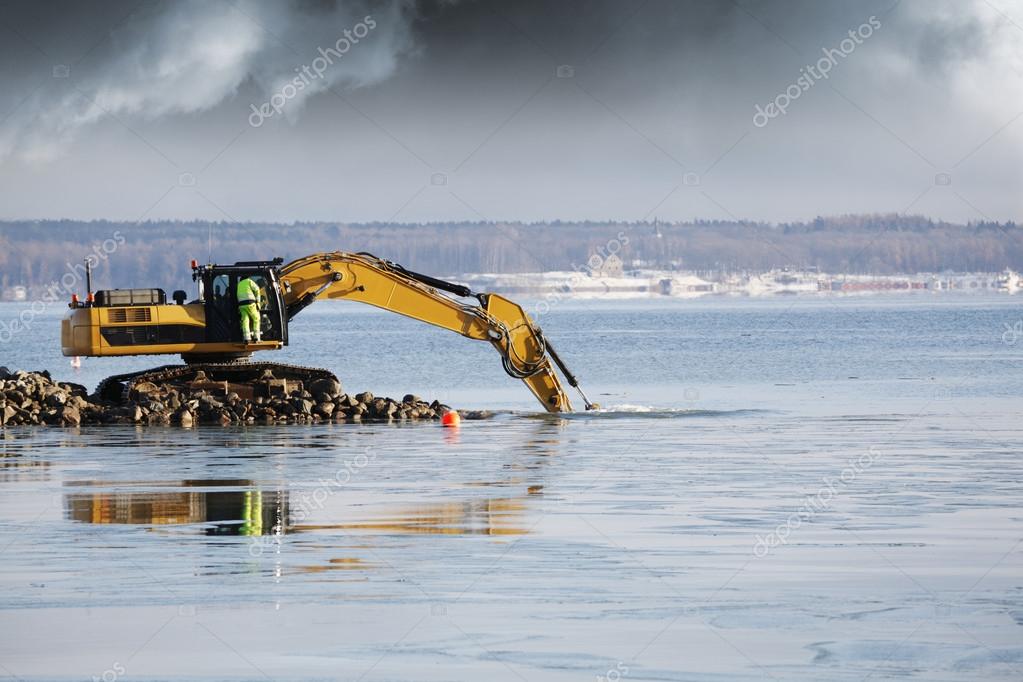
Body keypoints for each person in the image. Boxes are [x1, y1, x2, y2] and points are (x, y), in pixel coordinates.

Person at [237, 276, 262, 343]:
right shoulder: (248, 281)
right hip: (250, 303)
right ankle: (256, 337)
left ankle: (246, 338)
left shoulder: (239, 284)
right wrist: (258, 302)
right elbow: (257, 289)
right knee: (256, 318)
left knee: (245, 320)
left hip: (241, 305)